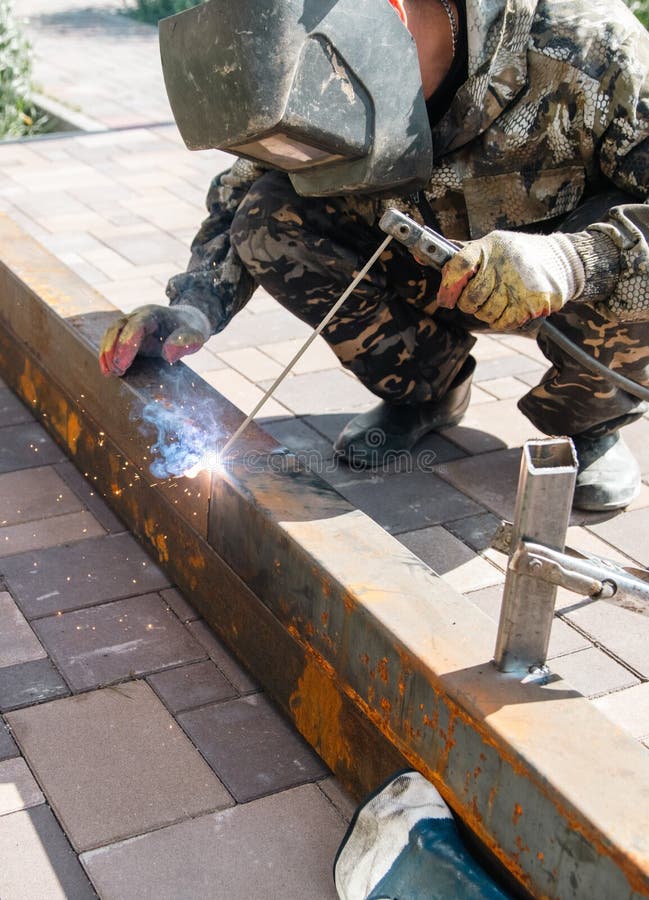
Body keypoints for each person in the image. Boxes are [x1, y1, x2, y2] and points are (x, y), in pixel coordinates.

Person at [99, 0, 649, 512]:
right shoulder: (310, 73)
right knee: (270, 215)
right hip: (429, 268)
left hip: (565, 286)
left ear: (391, 19)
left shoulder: (593, 50)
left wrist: (572, 261)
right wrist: (196, 306)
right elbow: (247, 190)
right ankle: (430, 389)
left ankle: (594, 422)